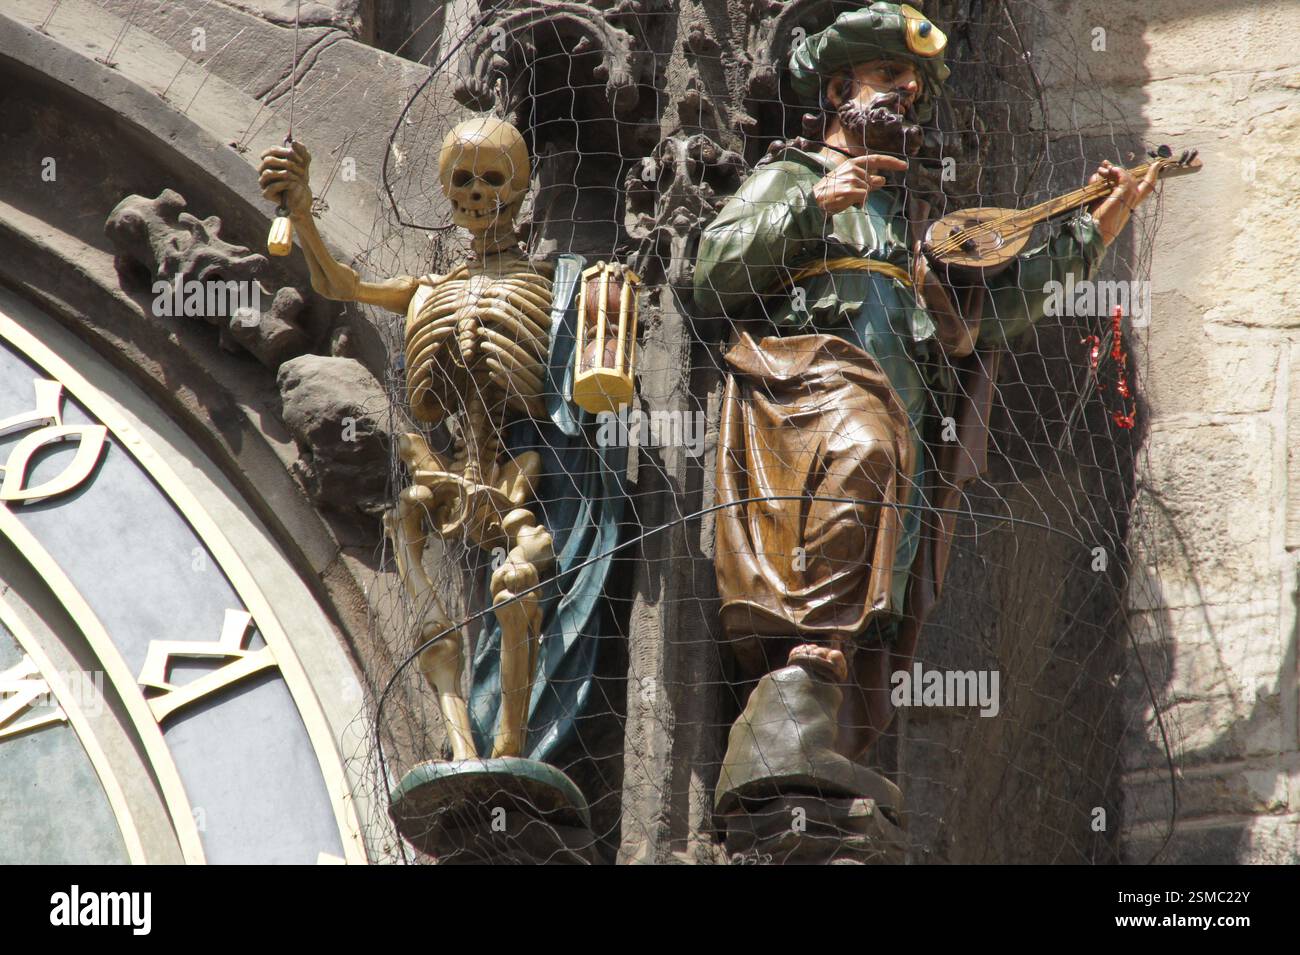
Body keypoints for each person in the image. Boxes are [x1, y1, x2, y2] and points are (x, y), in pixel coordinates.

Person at [693, 2, 1158, 779]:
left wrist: (1098, 229)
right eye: (886, 74)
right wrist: (814, 206)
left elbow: (985, 321)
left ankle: (819, 756)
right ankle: (774, 739)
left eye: (911, 82)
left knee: (886, 600)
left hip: (906, 441)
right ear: (839, 87)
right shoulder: (790, 176)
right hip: (811, 408)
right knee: (861, 451)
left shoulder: (914, 229)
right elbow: (712, 276)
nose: (904, 90)